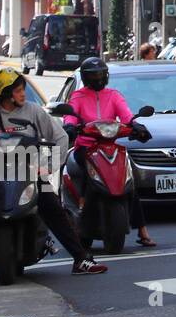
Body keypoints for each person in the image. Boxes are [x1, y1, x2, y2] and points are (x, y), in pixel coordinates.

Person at [0, 69, 108, 274]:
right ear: (6, 94)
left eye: (23, 90)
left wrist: (48, 165)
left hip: (29, 175)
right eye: (18, 91)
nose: (22, 94)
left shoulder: (35, 112)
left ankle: (81, 259)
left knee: (52, 207)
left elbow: (61, 137)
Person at [63, 58, 156, 247]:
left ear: (106, 76)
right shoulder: (78, 96)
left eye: (100, 74)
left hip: (111, 146)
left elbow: (127, 117)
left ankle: (142, 229)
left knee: (129, 180)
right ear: (85, 77)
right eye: (93, 75)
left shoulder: (114, 95)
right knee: (81, 171)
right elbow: (70, 117)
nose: (97, 78)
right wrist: (70, 127)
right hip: (87, 147)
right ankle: (81, 205)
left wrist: (136, 126)